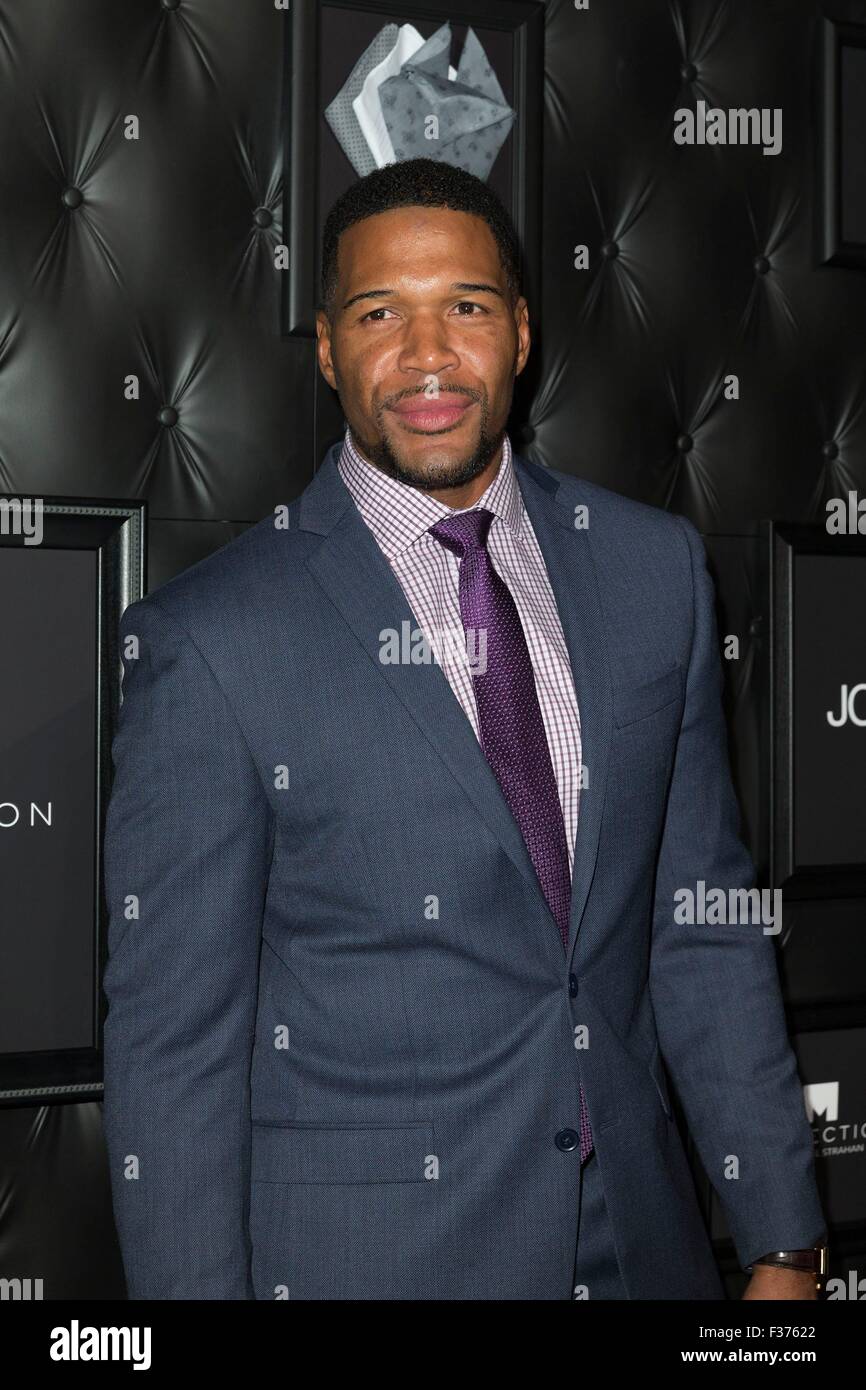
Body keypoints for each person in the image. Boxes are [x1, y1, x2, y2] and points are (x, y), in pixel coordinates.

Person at [102, 157, 827, 1300]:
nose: (428, 354)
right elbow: (173, 1053)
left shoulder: (652, 574)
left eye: (467, 309)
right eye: (380, 312)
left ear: (522, 334)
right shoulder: (213, 641)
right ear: (329, 346)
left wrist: (783, 1242)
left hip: (647, 1254)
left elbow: (700, 927)